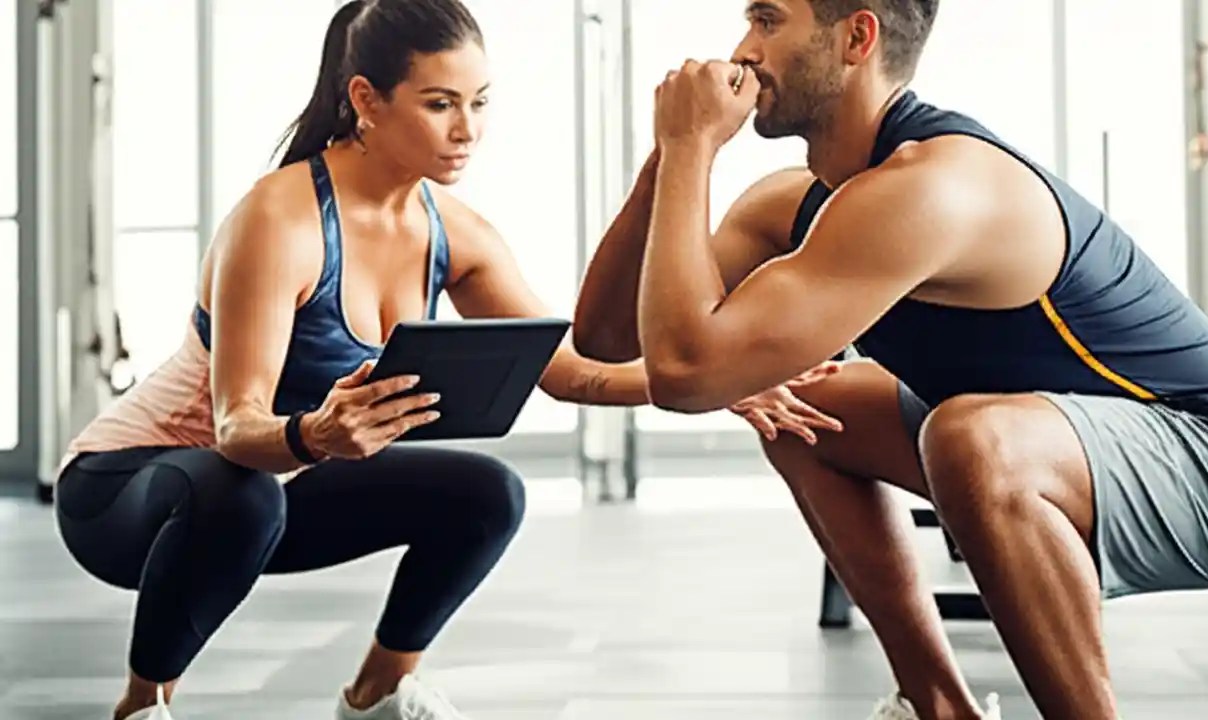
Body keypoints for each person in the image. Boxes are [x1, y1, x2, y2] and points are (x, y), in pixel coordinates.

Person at [51, 2, 843, 719]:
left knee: (486, 494)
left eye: (479, 102)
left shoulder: (452, 230)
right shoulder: (280, 220)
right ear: (365, 100)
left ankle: (378, 695)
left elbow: (569, 372)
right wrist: (315, 438)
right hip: (129, 496)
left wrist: (718, 385)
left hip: (271, 494)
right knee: (243, 492)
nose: (467, 129)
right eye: (439, 104)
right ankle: (142, 705)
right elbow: (237, 429)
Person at [573, 1, 1208, 719]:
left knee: (970, 436)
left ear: (856, 38)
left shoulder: (933, 188)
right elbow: (606, 335)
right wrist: (668, 156)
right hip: (1064, 438)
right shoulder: (795, 204)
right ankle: (936, 705)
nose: (743, 50)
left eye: (768, 22)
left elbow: (685, 375)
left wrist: (695, 147)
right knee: (813, 412)